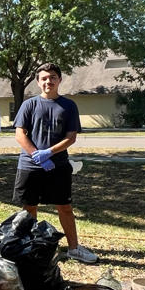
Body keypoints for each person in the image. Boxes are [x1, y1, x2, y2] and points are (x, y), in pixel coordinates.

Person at [13, 62, 97, 263]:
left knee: (65, 207)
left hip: (58, 166)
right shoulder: (29, 104)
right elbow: (19, 134)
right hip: (30, 166)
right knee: (29, 208)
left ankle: (74, 248)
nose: (48, 81)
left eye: (52, 77)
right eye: (44, 78)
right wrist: (36, 155)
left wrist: (49, 153)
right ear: (38, 81)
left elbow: (71, 137)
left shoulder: (68, 106)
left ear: (59, 80)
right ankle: (31, 246)